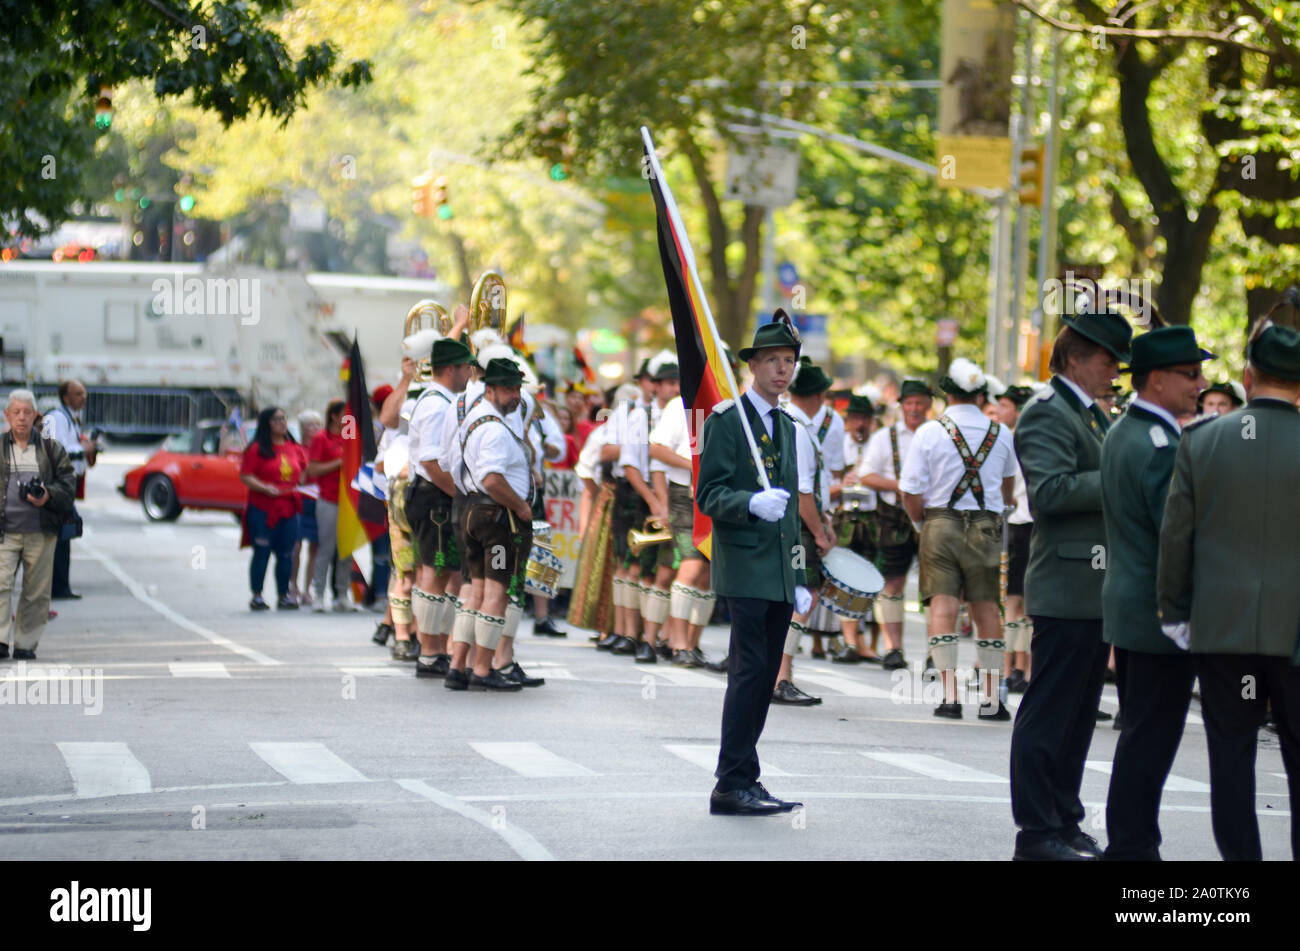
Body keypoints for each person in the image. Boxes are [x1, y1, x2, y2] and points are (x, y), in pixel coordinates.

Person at [1158, 322, 1300, 861]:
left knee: (1232, 753)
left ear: (1246, 377)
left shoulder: (1202, 440)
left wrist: (1174, 609)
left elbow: (1178, 537)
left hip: (1224, 629)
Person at [1008, 307, 1133, 861]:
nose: (1115, 370)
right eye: (1109, 360)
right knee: (1050, 713)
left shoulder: (1091, 414)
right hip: (1066, 583)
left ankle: (1063, 818)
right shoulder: (1047, 412)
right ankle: (1036, 832)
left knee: (1080, 716)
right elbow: (1052, 493)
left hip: (1094, 585)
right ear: (1077, 357)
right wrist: (1119, 474)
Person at [1098, 326, 1211, 861]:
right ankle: (1134, 846)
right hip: (1157, 611)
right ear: (1159, 379)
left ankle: (1131, 841)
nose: (1201, 383)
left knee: (1143, 733)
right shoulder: (1159, 443)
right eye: (1191, 374)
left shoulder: (1129, 431)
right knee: (1151, 738)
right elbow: (1178, 534)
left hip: (1134, 605)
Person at [697, 313, 809, 816]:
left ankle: (745, 775)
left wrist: (800, 574)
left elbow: (793, 510)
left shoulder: (787, 426)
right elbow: (708, 494)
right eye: (773, 361)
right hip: (745, 568)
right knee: (748, 674)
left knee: (763, 679)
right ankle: (730, 783)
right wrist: (748, 503)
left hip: (780, 572)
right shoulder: (727, 421)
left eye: (789, 362)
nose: (782, 370)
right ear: (754, 366)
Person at [899, 359, 1017, 720]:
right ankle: (991, 698)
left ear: (947, 393)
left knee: (943, 606)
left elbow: (910, 489)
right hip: (986, 524)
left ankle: (950, 697)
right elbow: (1008, 488)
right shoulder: (1002, 433)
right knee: (987, 607)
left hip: (941, 521)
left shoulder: (930, 432)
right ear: (981, 395)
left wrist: (922, 521)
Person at [444, 358, 534, 692]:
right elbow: (492, 479)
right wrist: (522, 507)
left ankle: (457, 666)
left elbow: (449, 463)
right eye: (510, 389)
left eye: (518, 388)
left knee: (474, 592)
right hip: (497, 519)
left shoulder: (470, 422)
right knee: (495, 593)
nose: (516, 396)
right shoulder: (495, 428)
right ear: (490, 389)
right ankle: (482, 670)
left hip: (469, 511)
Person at [405, 335, 477, 670]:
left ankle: (438, 647)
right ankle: (429, 652)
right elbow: (432, 463)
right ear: (450, 368)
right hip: (434, 494)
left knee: (445, 570)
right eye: (465, 367)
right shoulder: (436, 404)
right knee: (434, 571)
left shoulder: (443, 398)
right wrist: (460, 494)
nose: (469, 373)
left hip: (436, 494)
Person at [770, 357, 837, 705]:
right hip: (797, 525)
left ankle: (780, 674)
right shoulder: (797, 427)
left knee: (795, 596)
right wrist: (821, 532)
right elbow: (803, 490)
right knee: (802, 596)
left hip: (789, 522)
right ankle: (781, 676)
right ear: (818, 395)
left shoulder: (789, 421)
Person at [860, 379, 934, 670]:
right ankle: (893, 648)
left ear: (929, 404)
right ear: (901, 405)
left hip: (931, 514)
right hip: (893, 514)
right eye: (909, 403)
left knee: (934, 586)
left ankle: (934, 650)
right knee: (892, 581)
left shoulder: (938, 434)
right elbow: (866, 475)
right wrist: (901, 486)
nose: (914, 408)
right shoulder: (884, 437)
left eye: (919, 402)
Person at [0, 390, 76, 660]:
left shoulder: (50, 449)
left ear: (35, 416)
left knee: (36, 592)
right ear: (7, 416)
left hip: (41, 531)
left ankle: (25, 644)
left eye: (27, 412)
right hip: (4, 532)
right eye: (16, 412)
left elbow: (69, 484)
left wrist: (48, 495)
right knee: (1, 582)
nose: (21, 418)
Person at [239, 407, 308, 611]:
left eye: (284, 418)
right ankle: (257, 595)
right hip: (263, 508)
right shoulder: (257, 449)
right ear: (267, 423)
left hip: (289, 506)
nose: (282, 423)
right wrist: (265, 487)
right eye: (276, 419)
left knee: (287, 553)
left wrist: (296, 485)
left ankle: (283, 594)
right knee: (262, 551)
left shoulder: (293, 447)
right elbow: (245, 475)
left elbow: (302, 471)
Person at [834, 392, 882, 664]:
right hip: (845, 516)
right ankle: (850, 641)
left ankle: (868, 643)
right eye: (855, 418)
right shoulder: (839, 445)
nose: (859, 424)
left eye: (864, 418)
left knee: (873, 580)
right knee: (847, 580)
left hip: (874, 516)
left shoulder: (879, 444)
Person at [995, 385, 1035, 693]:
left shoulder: (1011, 439)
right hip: (1023, 523)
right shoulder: (1029, 439)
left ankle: (1016, 668)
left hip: (1021, 522)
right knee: (1018, 603)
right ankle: (1016, 668)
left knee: (1017, 604)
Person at [43, 379, 96, 601]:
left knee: (63, 536)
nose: (83, 397)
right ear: (66, 397)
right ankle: (56, 587)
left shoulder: (71, 418)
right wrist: (82, 449)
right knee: (59, 537)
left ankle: (59, 585)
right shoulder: (56, 417)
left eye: (84, 393)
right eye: (78, 393)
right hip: (56, 484)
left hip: (65, 484)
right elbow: (54, 449)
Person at [306, 400, 356, 613]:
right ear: (335, 416)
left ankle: (342, 594)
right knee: (326, 549)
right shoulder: (321, 438)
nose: (348, 417)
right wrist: (339, 463)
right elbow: (313, 469)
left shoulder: (350, 435)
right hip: (328, 500)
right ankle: (318, 594)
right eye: (344, 414)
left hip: (349, 502)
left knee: (346, 550)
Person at [291, 409, 323, 606]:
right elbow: (299, 476)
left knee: (315, 548)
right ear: (302, 429)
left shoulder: (322, 448)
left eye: (317, 424)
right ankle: (292, 586)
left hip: (318, 499)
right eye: (310, 425)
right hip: (300, 499)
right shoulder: (296, 449)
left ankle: (307, 589)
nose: (315, 429)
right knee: (296, 546)